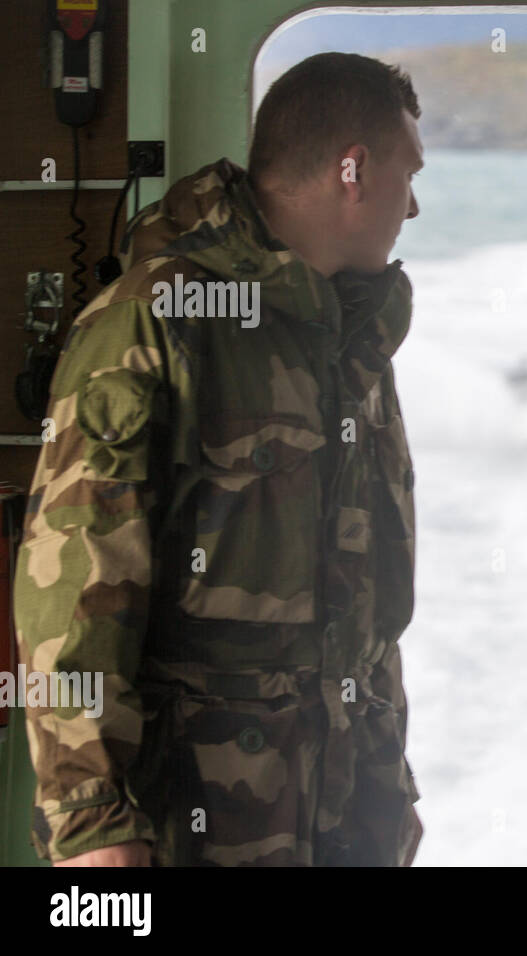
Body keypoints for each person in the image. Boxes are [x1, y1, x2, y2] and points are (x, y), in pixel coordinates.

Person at [11, 52, 426, 866]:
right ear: (354, 169)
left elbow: (370, 615)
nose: (413, 206)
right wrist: (93, 820)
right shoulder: (155, 321)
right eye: (408, 174)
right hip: (191, 817)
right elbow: (70, 589)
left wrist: (390, 783)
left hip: (341, 813)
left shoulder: (356, 347)